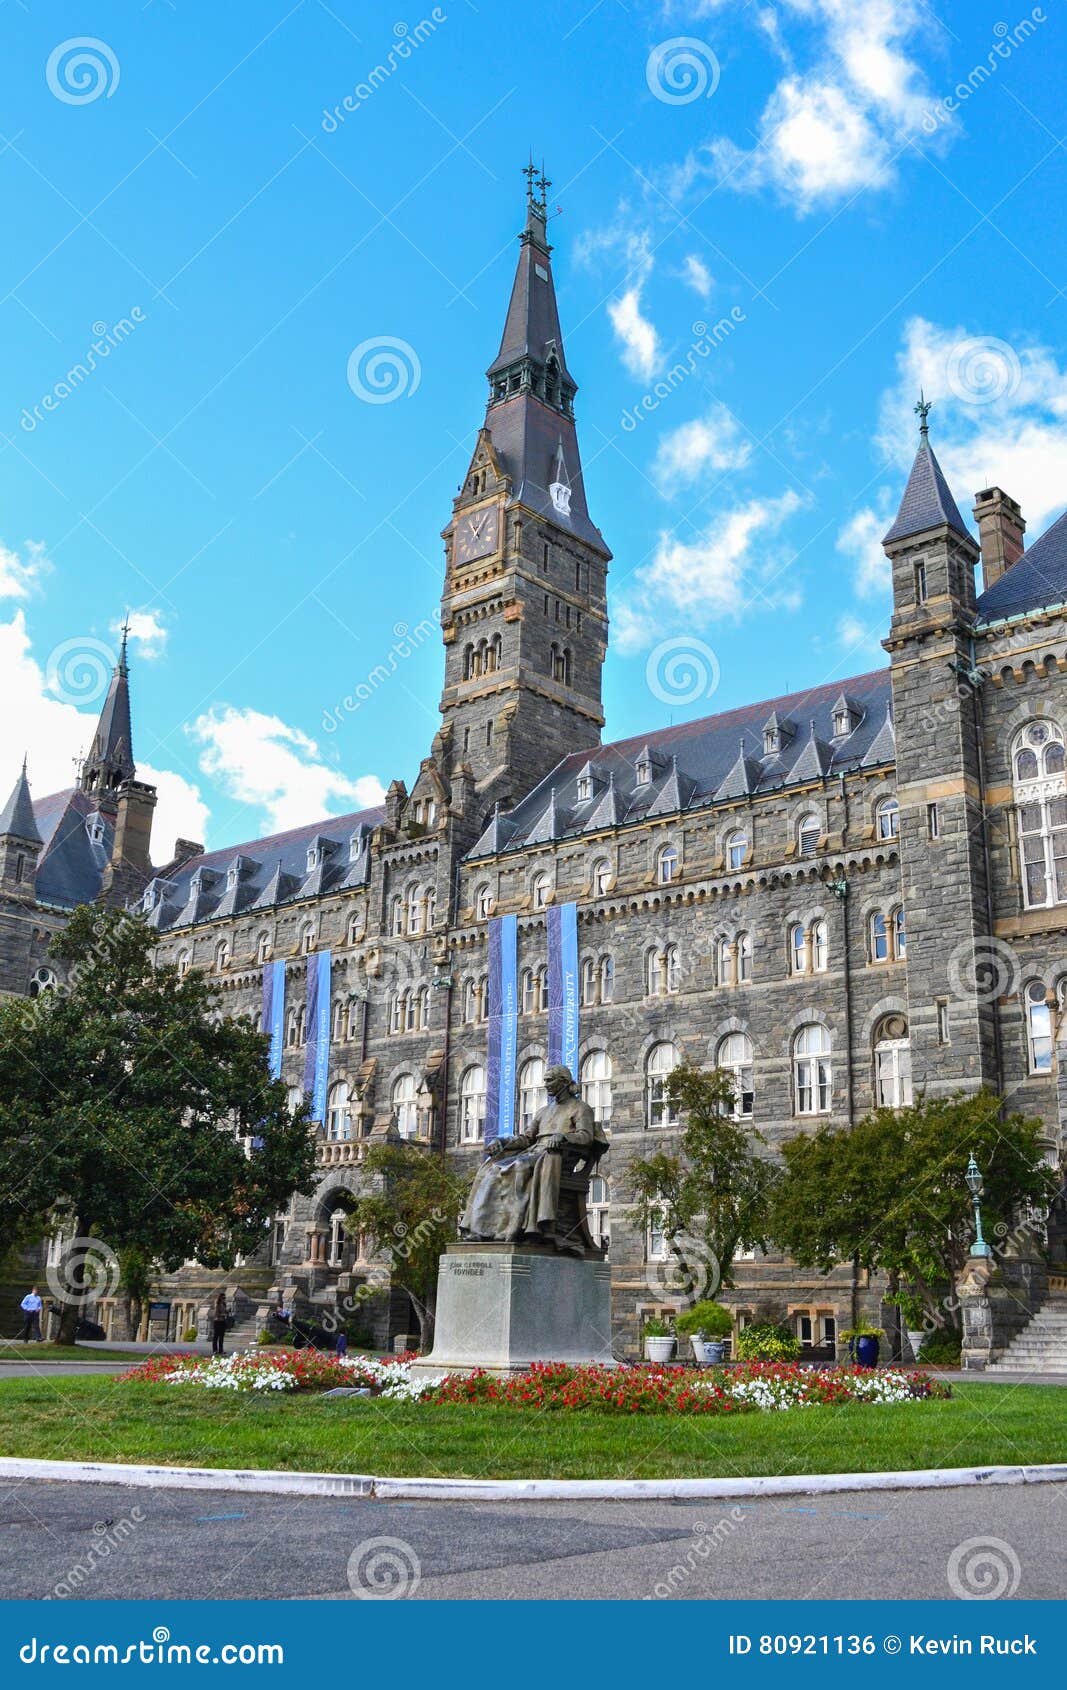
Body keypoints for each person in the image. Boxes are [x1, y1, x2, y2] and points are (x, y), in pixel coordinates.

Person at [459, 1064, 608, 1251]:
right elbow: (527, 1138)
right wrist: (503, 1142)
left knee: (519, 1166)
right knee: (492, 1168)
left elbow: (586, 1136)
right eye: (545, 1080)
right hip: (534, 1153)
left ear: (563, 1081)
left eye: (549, 1080)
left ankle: (513, 1229)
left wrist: (563, 1137)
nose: (546, 1085)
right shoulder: (544, 1112)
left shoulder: (580, 1108)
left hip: (557, 1157)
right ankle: (482, 1229)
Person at [211, 1289, 228, 1356]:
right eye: (223, 1298)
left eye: (225, 1298)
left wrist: (227, 1312)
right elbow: (216, 1314)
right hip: (217, 1321)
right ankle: (215, 1350)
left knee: (221, 1337)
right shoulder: (217, 1305)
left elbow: (225, 1312)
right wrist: (223, 1314)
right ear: (220, 1298)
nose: (224, 1299)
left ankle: (221, 1350)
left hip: (222, 1321)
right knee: (216, 1336)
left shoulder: (224, 1305)